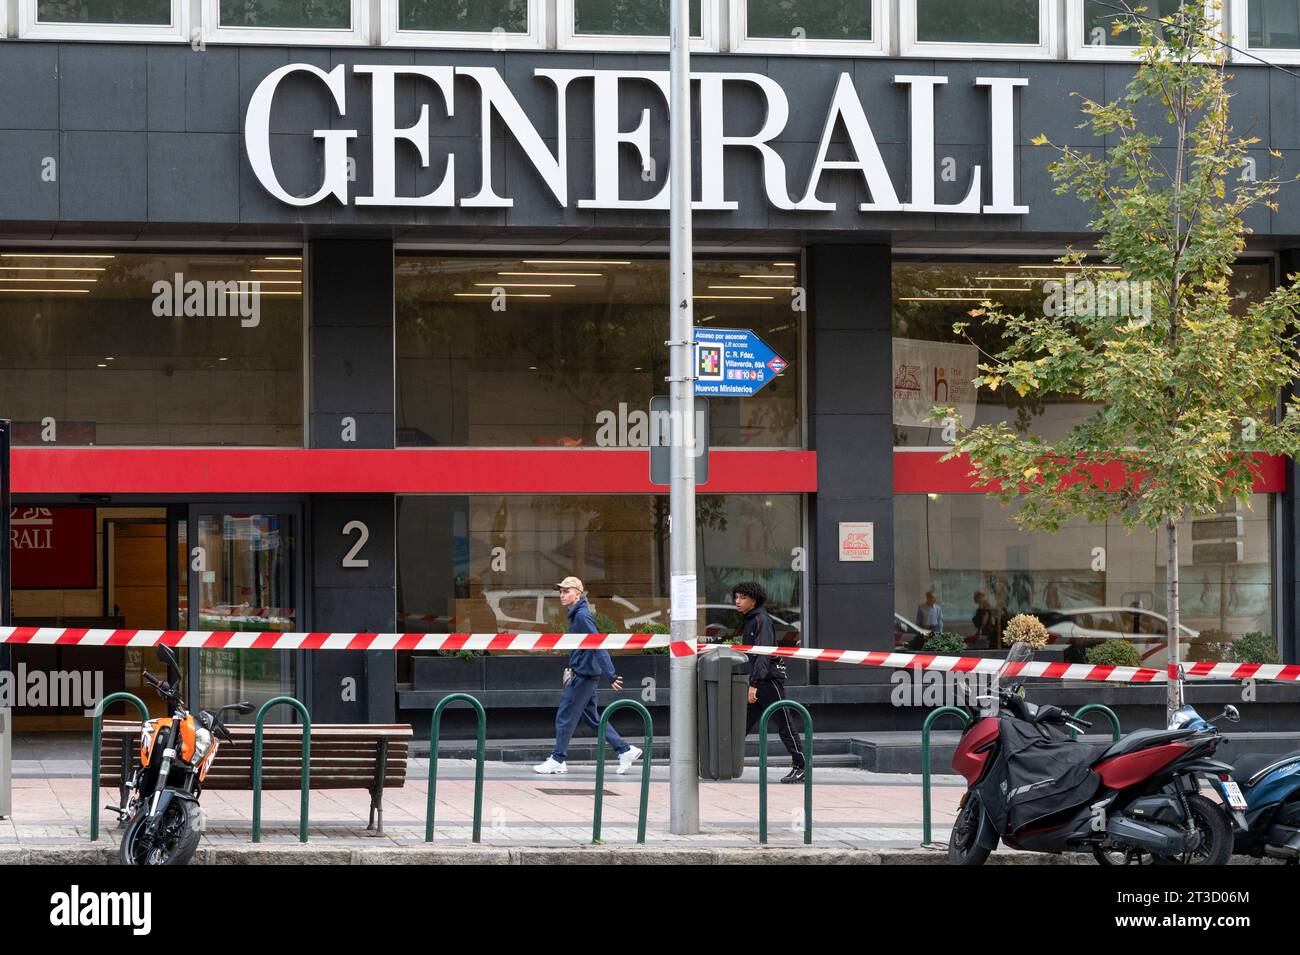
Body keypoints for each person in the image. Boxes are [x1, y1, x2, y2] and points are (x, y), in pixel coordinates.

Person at [534, 577, 642, 776]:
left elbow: (597, 643)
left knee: (564, 717)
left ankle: (558, 759)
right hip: (583, 673)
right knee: (593, 719)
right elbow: (583, 647)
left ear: (578, 593)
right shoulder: (577, 615)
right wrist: (572, 668)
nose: (561, 595)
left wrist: (610, 674)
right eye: (560, 591)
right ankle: (625, 750)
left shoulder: (582, 616)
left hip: (584, 677)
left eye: (566, 591)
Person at [736, 581, 805, 784]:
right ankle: (724, 763)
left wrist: (754, 684)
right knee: (741, 724)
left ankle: (801, 767)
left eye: (742, 597)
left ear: (753, 600)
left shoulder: (761, 620)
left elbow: (764, 654)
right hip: (757, 680)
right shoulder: (750, 619)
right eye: (736, 597)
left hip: (767, 681)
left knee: (784, 723)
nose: (737, 601)